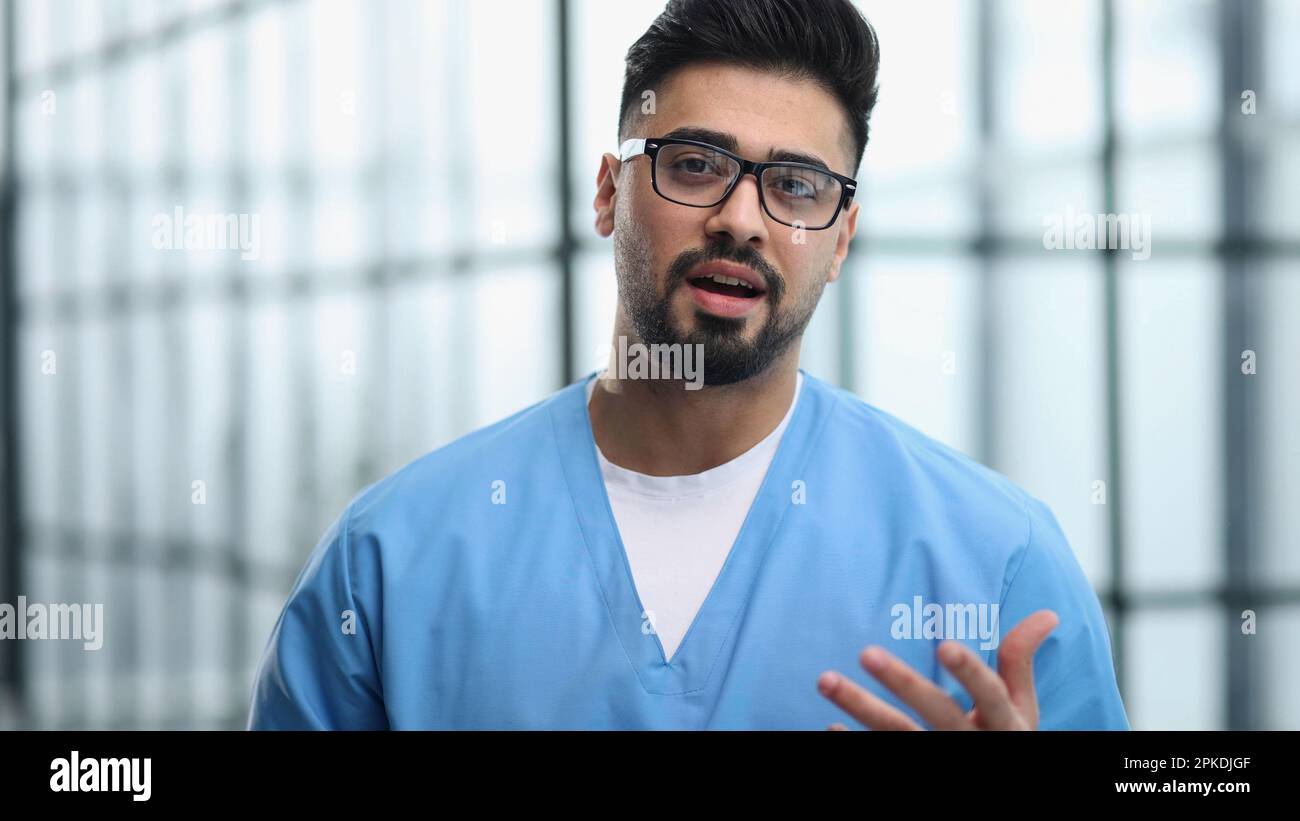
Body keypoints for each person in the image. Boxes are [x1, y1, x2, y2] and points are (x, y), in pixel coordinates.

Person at [248, 0, 1128, 730]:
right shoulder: (394, 564)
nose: (743, 218)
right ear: (608, 191)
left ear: (842, 236)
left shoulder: (997, 565)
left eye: (796, 185)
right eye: (698, 165)